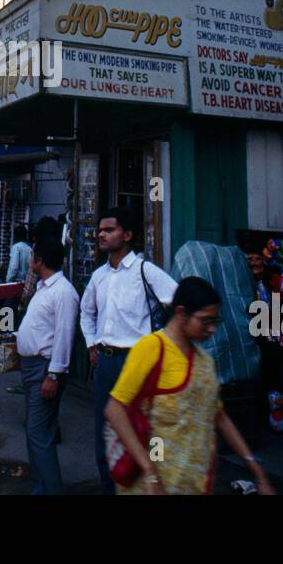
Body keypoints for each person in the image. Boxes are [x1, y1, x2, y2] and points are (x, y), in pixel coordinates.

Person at [105, 277, 274, 495]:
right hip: (153, 483)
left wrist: (256, 469)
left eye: (216, 321)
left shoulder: (205, 361)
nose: (212, 329)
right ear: (181, 312)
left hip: (196, 481)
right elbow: (114, 408)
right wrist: (150, 471)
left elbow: (218, 416)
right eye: (205, 321)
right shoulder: (151, 348)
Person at [79, 206, 177, 495]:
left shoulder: (145, 271)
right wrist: (91, 342)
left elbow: (176, 302)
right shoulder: (98, 276)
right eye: (100, 230)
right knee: (104, 435)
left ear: (128, 235)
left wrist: (159, 344)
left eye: (109, 229)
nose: (101, 234)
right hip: (106, 364)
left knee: (139, 430)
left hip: (136, 362)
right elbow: (86, 312)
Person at [15, 236, 78, 494]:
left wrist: (53, 374)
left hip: (45, 369)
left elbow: (65, 336)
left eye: (32, 256)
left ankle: (50, 489)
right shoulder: (44, 287)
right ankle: (40, 486)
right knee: (35, 432)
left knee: (39, 434)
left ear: (39, 260)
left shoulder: (64, 292)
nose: (30, 260)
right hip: (32, 367)